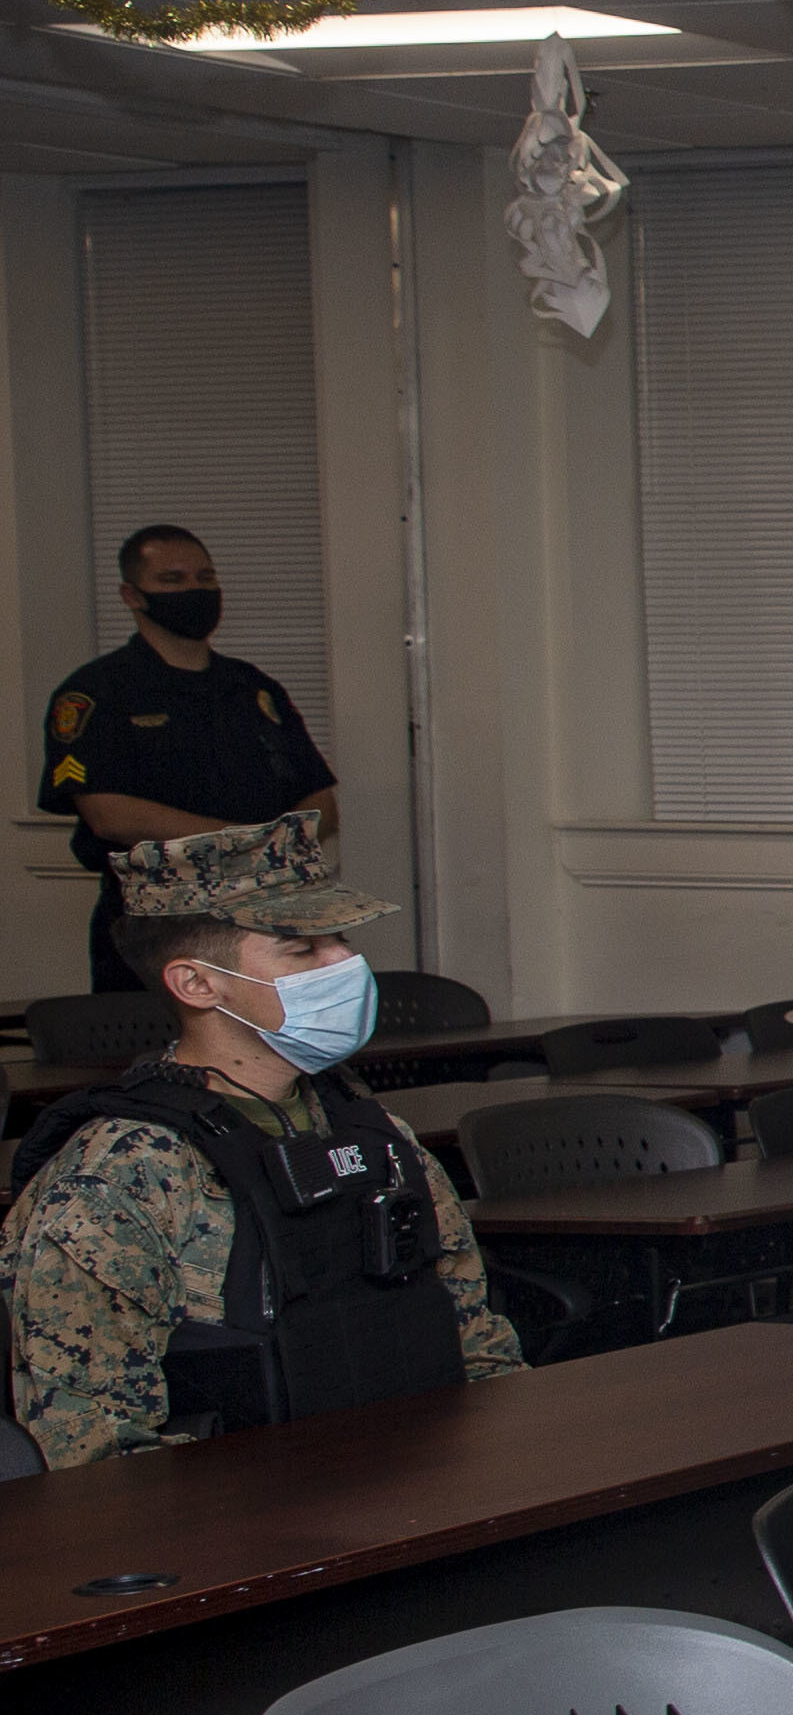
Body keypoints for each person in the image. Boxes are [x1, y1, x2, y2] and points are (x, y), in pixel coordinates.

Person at [5, 813, 517, 1465]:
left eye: (338, 936)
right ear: (196, 983)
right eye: (302, 948)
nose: (345, 961)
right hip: (241, 1535)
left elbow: (480, 1350)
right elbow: (89, 1448)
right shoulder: (125, 1172)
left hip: (419, 1492)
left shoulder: (375, 1133)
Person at [38, 526, 338, 995]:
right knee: (154, 1054)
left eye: (205, 577)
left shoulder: (252, 688)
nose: (195, 591)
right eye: (173, 580)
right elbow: (108, 814)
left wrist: (273, 846)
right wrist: (238, 842)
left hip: (268, 911)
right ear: (132, 595)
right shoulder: (99, 692)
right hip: (158, 917)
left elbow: (320, 798)